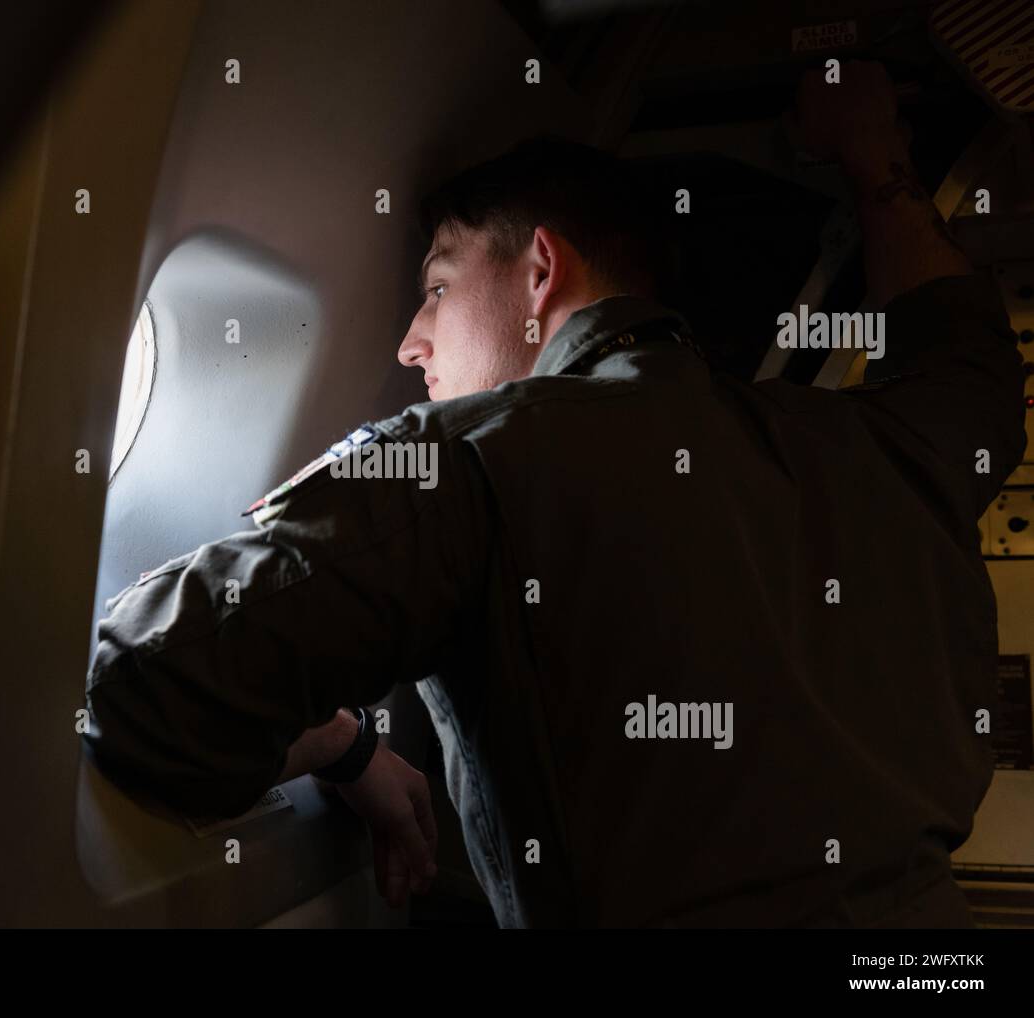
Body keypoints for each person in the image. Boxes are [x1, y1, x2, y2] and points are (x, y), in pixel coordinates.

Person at [81, 61, 1028, 927]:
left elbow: (144, 682)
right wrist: (875, 152)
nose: (411, 340)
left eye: (438, 286)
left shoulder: (476, 459)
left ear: (540, 271)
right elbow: (972, 370)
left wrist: (339, 743)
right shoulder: (870, 443)